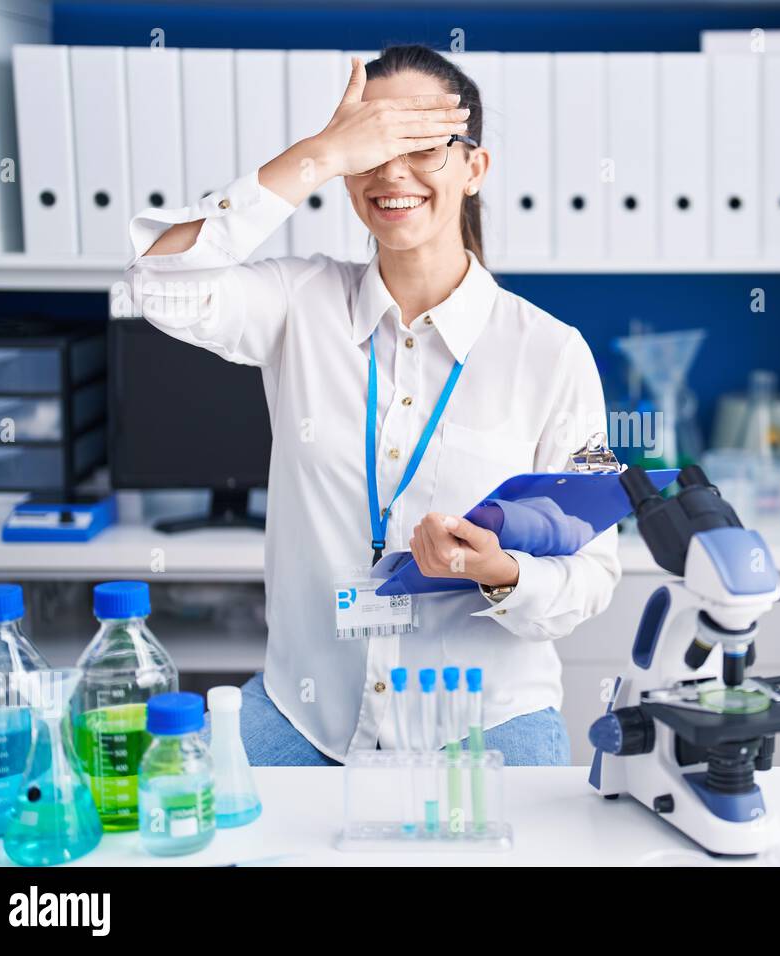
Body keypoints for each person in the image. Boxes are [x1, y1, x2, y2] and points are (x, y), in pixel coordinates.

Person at [124, 44, 619, 766]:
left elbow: (595, 572)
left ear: (475, 169)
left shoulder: (554, 352)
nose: (392, 173)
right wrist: (316, 156)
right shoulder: (299, 302)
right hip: (306, 713)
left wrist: (502, 572)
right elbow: (153, 282)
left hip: (485, 718)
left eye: (421, 146)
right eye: (372, 148)